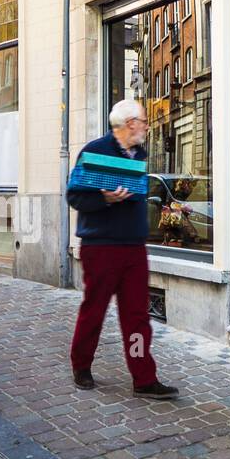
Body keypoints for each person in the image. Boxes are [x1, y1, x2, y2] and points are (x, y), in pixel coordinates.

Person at [66, 99, 179, 397]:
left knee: (137, 316)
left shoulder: (139, 153)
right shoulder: (93, 151)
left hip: (133, 248)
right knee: (95, 310)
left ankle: (144, 378)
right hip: (100, 247)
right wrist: (105, 199)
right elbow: (74, 196)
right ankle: (81, 365)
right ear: (129, 123)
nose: (146, 125)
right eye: (143, 120)